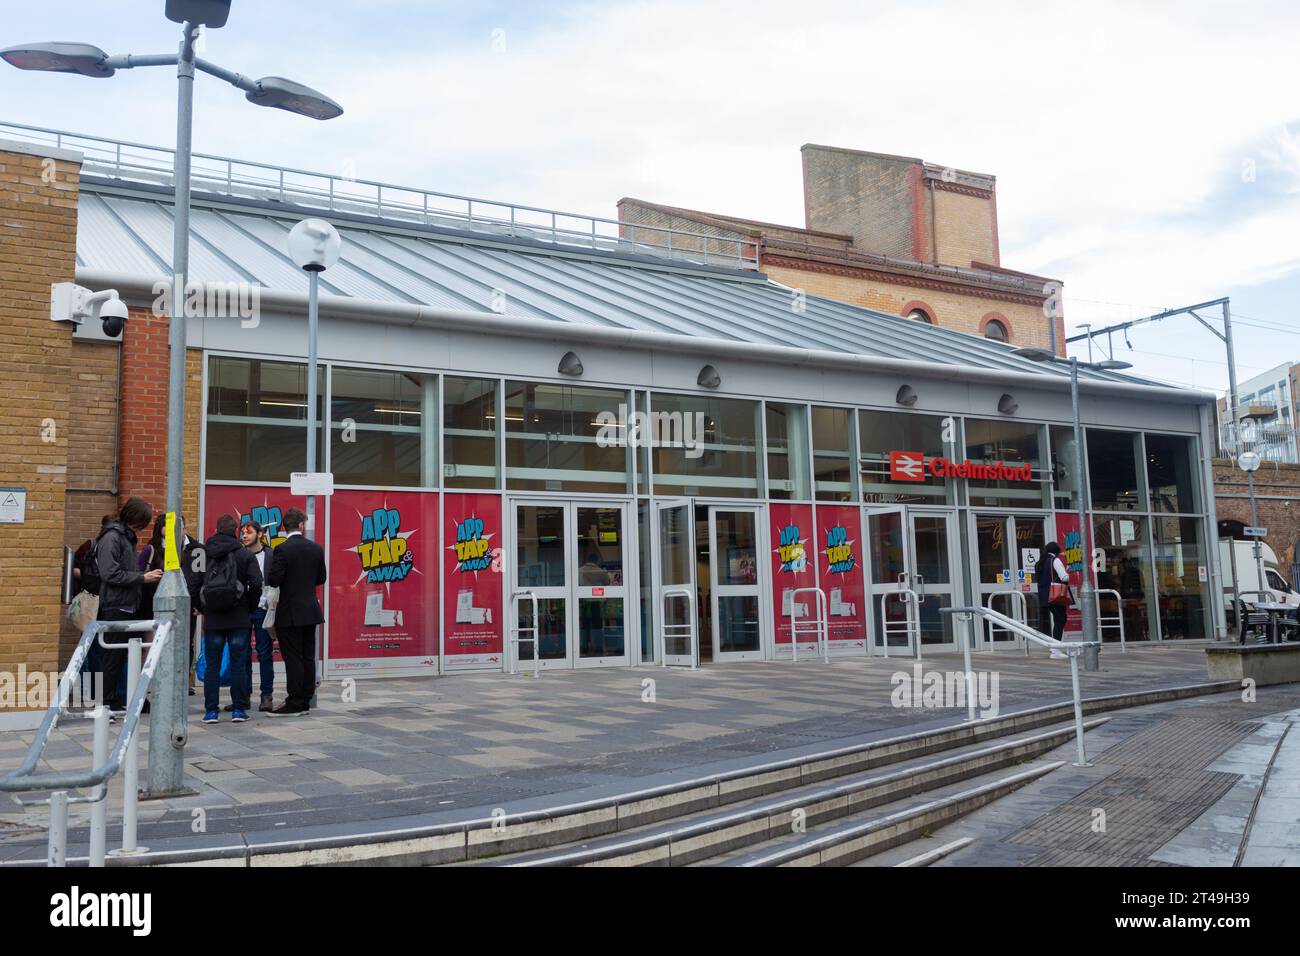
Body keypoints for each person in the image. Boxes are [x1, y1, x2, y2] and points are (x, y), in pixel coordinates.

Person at [96, 498, 163, 713]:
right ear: (134, 519)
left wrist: (142, 577)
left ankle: (114, 699)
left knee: (122, 655)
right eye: (142, 522)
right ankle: (105, 702)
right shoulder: (113, 537)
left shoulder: (124, 537)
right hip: (116, 605)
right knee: (112, 657)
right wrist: (143, 578)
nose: (142, 527)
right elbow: (109, 573)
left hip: (127, 604)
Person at [197, 513, 262, 724]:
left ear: (216, 530)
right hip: (239, 617)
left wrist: (203, 607)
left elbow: (194, 583)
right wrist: (249, 606)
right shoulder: (245, 555)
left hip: (214, 618)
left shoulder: (204, 553)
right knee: (238, 664)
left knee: (212, 666)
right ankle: (238, 710)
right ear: (236, 531)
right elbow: (257, 583)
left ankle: (211, 712)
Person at [266, 508, 326, 716]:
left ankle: (294, 701)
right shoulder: (316, 549)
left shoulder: (282, 549)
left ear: (285, 527)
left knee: (293, 657)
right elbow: (321, 578)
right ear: (301, 525)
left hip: (290, 611)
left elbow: (274, 579)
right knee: (308, 656)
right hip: (310, 610)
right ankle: (305, 700)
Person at [238, 519, 276, 712]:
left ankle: (266, 695)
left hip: (263, 610)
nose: (244, 535)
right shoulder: (239, 555)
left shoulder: (270, 554)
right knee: (243, 653)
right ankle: (243, 696)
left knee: (264, 653)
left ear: (260, 534)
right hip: (244, 609)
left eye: (249, 532)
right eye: (243, 532)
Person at [1036, 541, 1071, 659]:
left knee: (1058, 619)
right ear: (1056, 551)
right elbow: (1064, 577)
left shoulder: (1040, 562)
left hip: (1045, 596)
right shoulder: (1055, 560)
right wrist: (1067, 571)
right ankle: (1055, 649)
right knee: (1060, 619)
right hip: (1056, 594)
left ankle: (1054, 647)